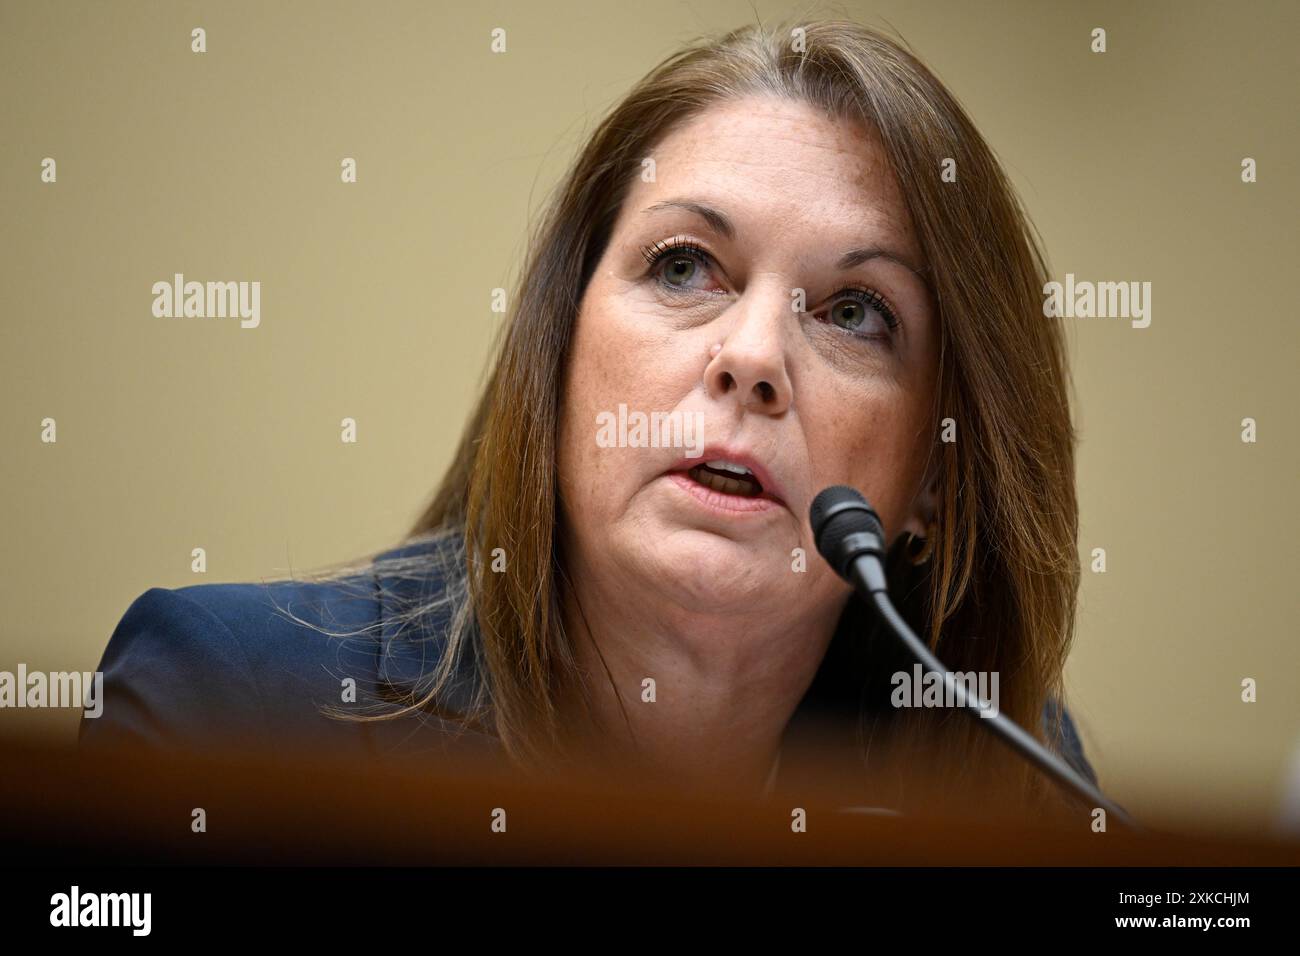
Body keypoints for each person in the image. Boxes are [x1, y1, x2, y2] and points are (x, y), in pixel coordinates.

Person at [81, 18, 1099, 814]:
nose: (750, 358)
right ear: (558, 354)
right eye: (684, 266)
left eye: (852, 312)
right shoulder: (227, 704)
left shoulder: (1012, 776)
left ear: (933, 478)